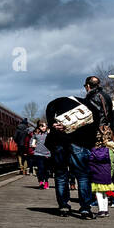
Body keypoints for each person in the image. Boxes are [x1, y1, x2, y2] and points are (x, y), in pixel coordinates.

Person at [44, 82, 100, 218]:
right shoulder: (90, 107)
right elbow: (94, 127)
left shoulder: (58, 102)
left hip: (59, 143)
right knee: (83, 176)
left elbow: (50, 107)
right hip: (79, 143)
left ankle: (63, 207)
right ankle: (85, 209)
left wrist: (52, 123)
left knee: (61, 175)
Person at [31, 120, 51, 188]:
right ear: (39, 127)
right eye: (41, 126)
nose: (43, 128)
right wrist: (32, 145)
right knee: (40, 168)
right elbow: (32, 142)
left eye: (44, 126)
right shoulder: (36, 134)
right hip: (38, 154)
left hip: (47, 154)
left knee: (46, 169)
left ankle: (46, 181)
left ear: (47, 126)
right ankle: (41, 181)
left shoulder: (49, 134)